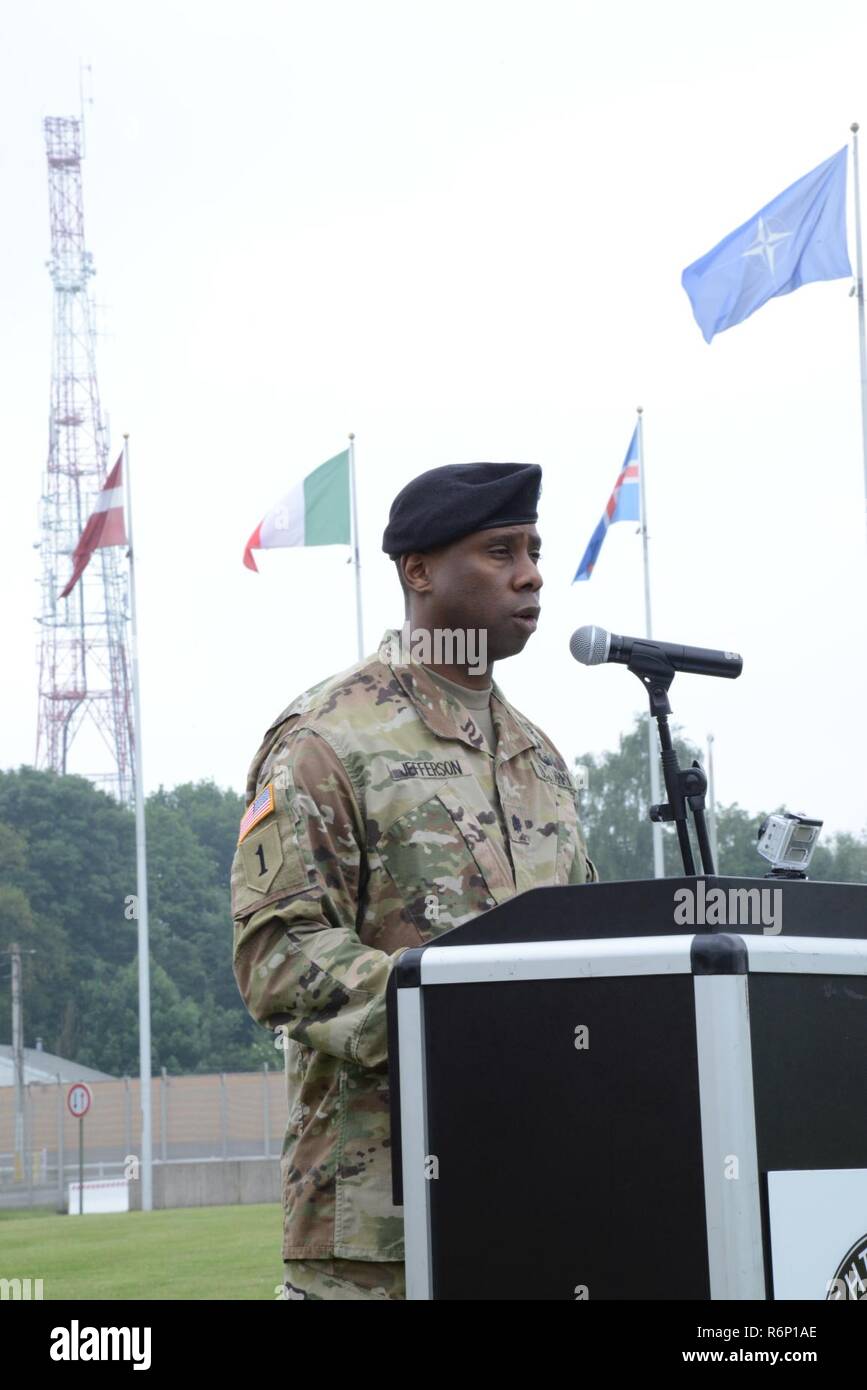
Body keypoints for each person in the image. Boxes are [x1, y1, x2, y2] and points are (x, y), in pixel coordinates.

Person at [230, 461, 596, 1301]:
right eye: (499, 551)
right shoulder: (329, 739)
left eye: (534, 549)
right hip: (378, 1228)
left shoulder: (539, 757)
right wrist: (452, 1008)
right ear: (418, 571)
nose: (530, 573)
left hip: (535, 1203)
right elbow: (276, 952)